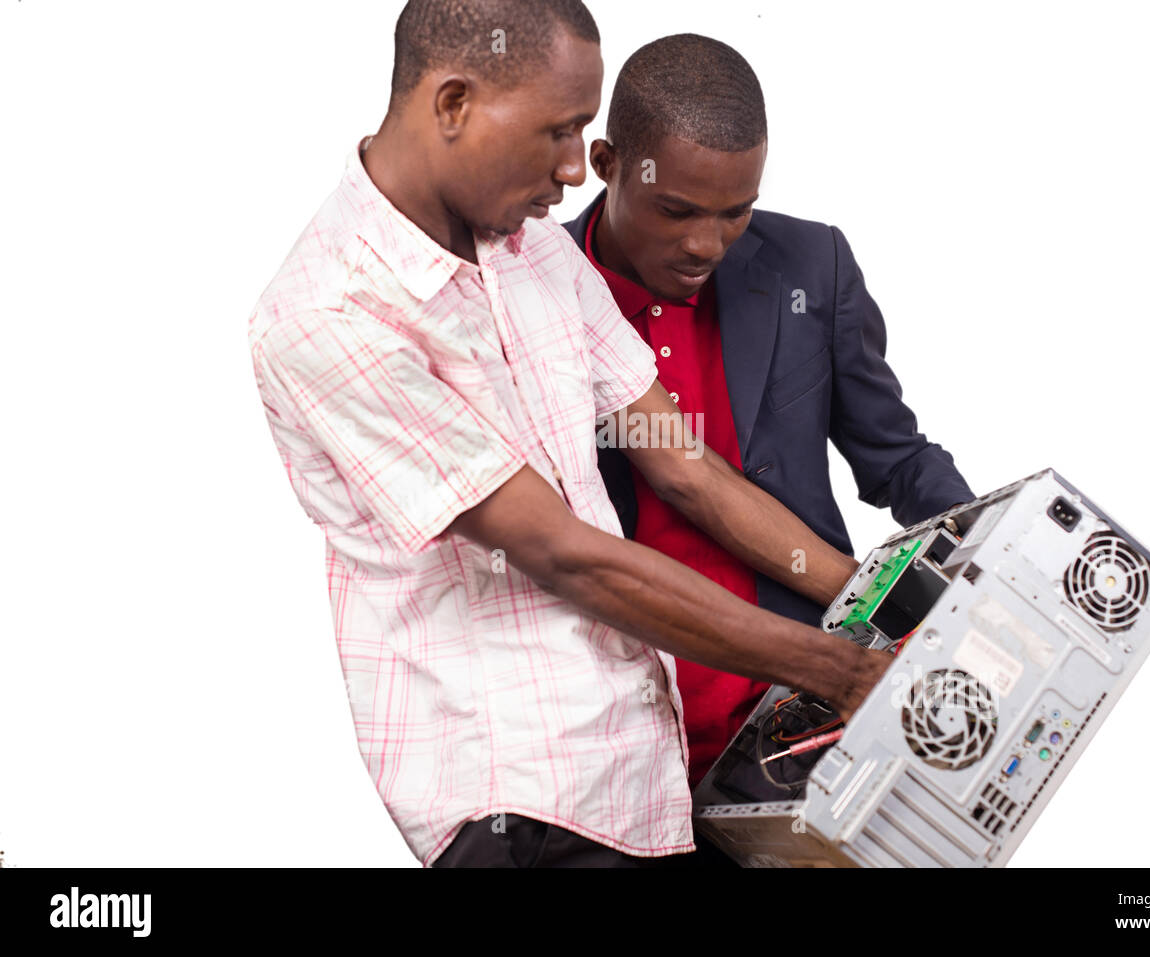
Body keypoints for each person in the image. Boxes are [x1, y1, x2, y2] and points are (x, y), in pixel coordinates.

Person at [247, 0, 893, 868]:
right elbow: (563, 552)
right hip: (517, 809)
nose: (570, 169)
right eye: (559, 131)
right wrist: (841, 670)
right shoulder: (330, 312)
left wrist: (882, 610)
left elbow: (686, 469)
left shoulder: (537, 254)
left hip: (638, 784)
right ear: (453, 105)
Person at [563, 34, 975, 790]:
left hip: (805, 719)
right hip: (619, 746)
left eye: (735, 213)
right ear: (608, 163)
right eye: (676, 210)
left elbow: (898, 459)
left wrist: (980, 565)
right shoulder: (533, 292)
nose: (706, 244)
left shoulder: (811, 267)